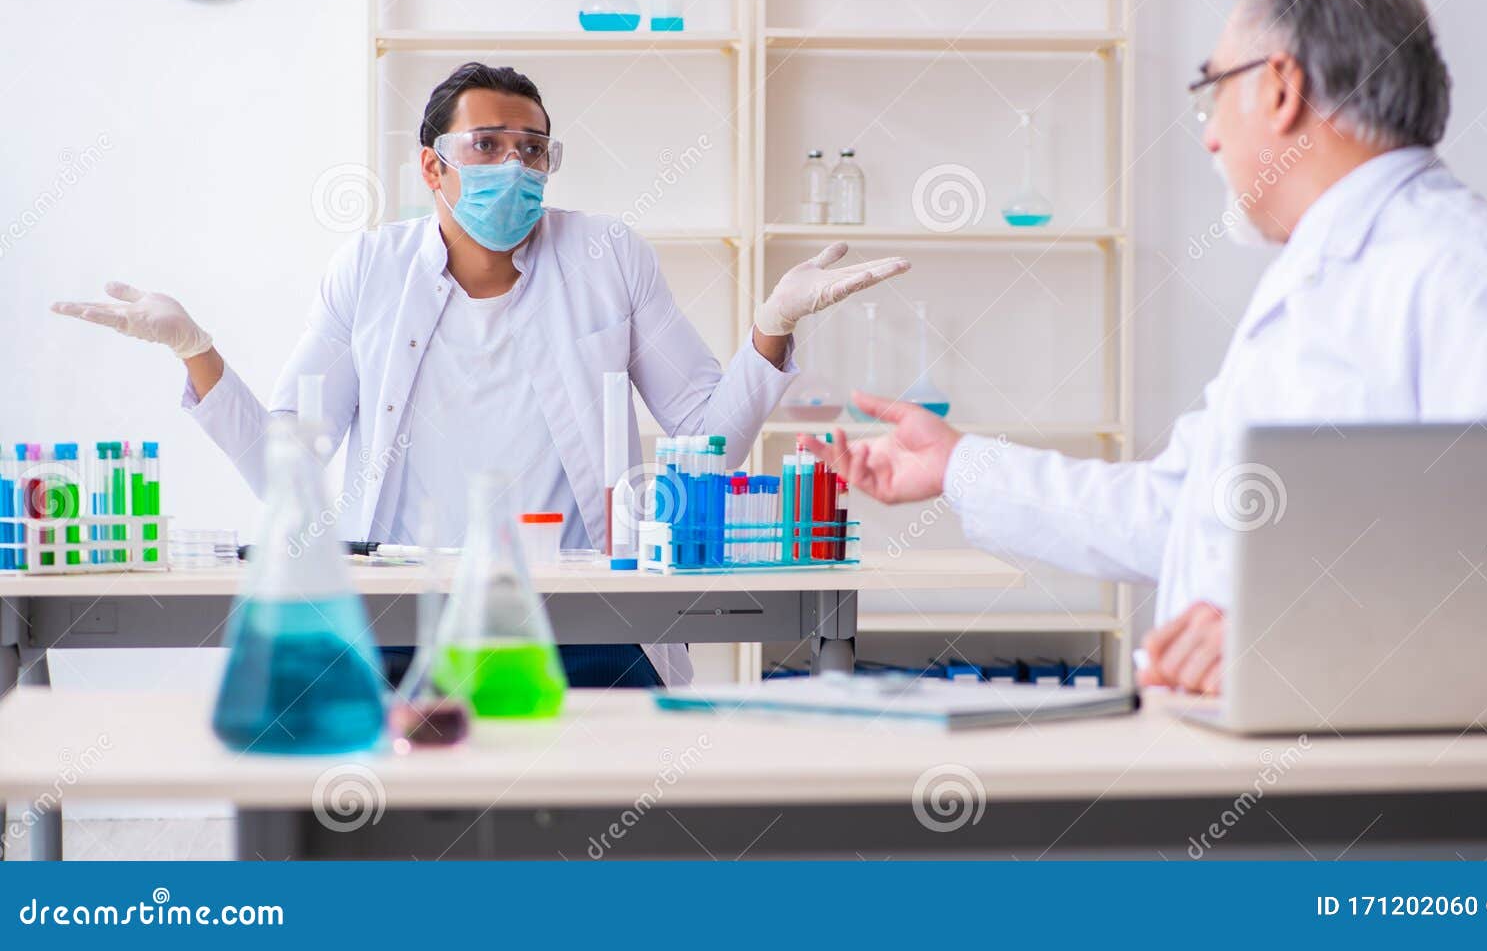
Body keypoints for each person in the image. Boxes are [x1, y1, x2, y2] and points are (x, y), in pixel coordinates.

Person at [803, 0, 1487, 696]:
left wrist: (1296, 638)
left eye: (1214, 89)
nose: (1212, 134)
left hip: (1389, 807)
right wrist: (959, 466)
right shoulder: (1319, 277)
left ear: (1282, 88)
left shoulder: (1462, 269)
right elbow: (1180, 511)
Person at [54, 61, 908, 688]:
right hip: (401, 613)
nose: (516, 166)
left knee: (611, 842)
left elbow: (703, 450)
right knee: (389, 842)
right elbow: (290, 461)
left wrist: (769, 328)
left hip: (589, 617)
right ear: (433, 166)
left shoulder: (608, 254)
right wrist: (195, 347)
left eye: (532, 150)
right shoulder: (369, 268)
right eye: (488, 145)